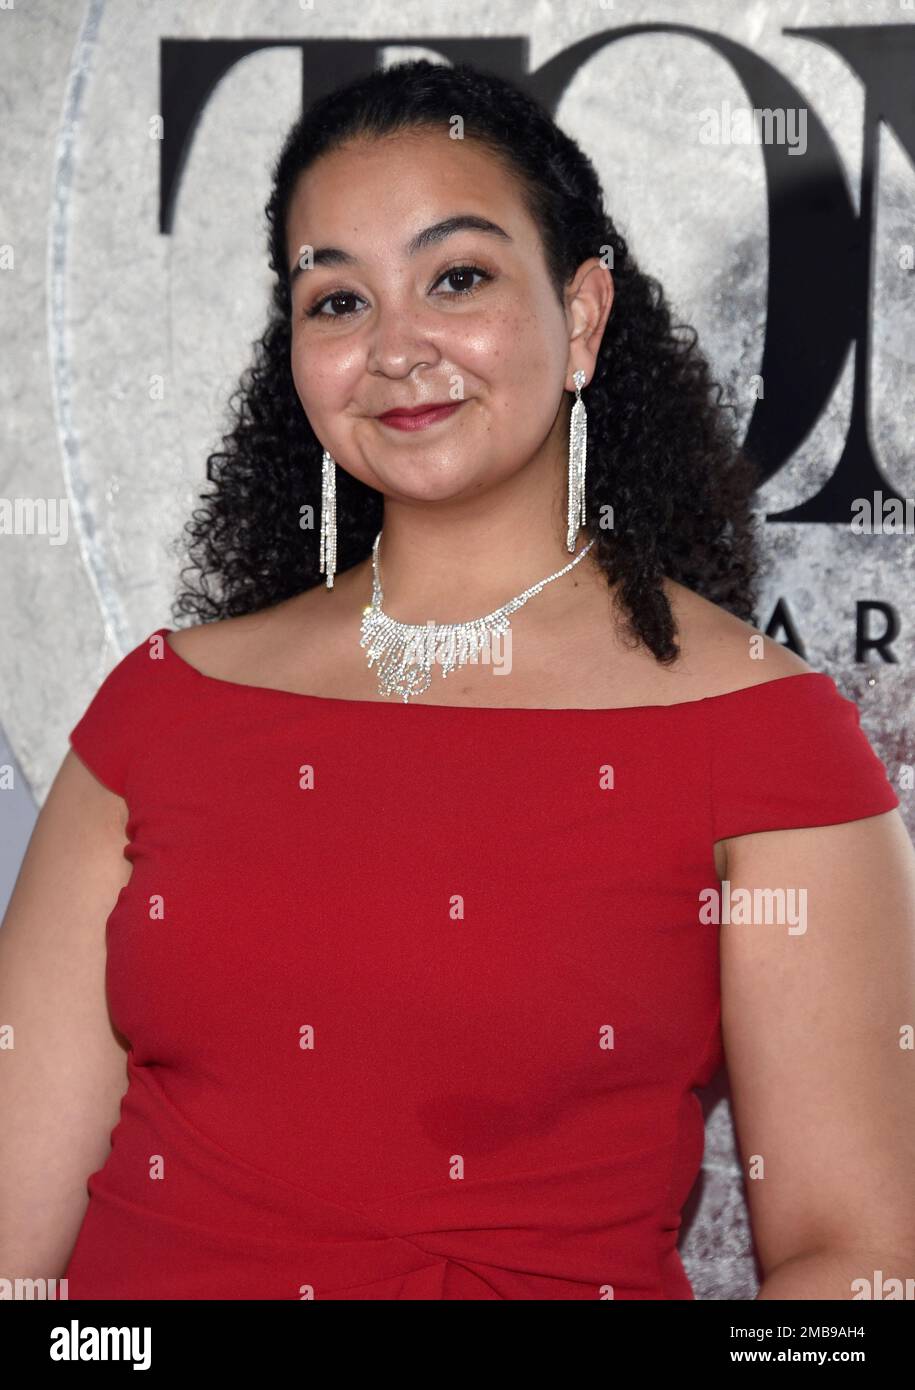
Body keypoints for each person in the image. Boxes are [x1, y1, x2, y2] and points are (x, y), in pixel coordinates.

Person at [3, 59, 913, 1302]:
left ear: (583, 317)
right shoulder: (161, 710)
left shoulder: (763, 737)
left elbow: (860, 1263)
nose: (394, 348)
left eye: (459, 278)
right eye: (336, 300)